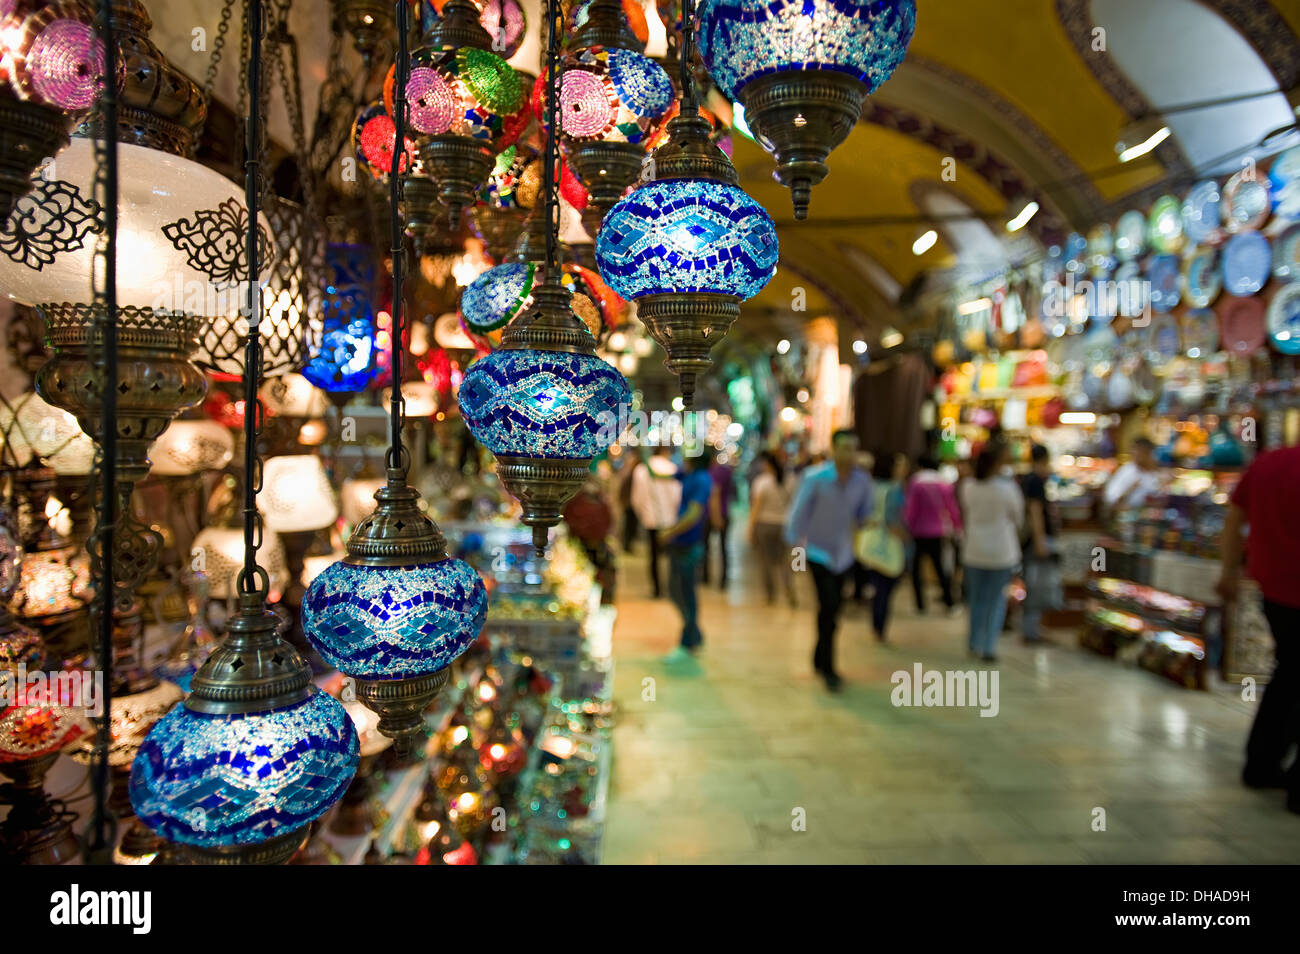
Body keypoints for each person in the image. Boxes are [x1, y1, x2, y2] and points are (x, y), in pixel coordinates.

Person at [1217, 445, 1300, 814]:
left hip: (1274, 590)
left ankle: (1261, 763)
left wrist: (1229, 571)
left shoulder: (1269, 463)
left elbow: (1234, 517)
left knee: (1288, 675)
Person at [785, 429, 873, 691]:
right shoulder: (815, 478)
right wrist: (796, 557)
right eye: (844, 447)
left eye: (854, 448)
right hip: (817, 553)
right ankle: (829, 666)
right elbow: (797, 517)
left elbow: (865, 513)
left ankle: (820, 656)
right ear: (833, 449)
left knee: (832, 610)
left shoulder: (862, 481)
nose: (849, 454)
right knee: (829, 604)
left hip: (844, 554)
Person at [960, 444, 1024, 662]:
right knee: (996, 601)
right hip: (1001, 551)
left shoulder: (968, 487)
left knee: (976, 599)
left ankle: (973, 642)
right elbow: (1018, 517)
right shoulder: (1008, 489)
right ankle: (989, 646)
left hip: (974, 549)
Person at [660, 452, 713, 662]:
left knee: (685, 593)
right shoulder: (688, 475)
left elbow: (693, 514)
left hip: (689, 544)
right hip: (681, 543)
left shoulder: (701, 479)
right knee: (675, 590)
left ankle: (688, 639)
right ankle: (694, 633)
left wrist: (670, 531)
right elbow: (658, 475)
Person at [857, 452, 908, 643]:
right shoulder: (894, 490)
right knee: (886, 587)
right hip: (887, 543)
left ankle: (876, 624)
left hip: (869, 540)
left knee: (878, 585)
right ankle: (879, 626)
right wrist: (905, 537)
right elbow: (893, 519)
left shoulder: (869, 487)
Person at [903, 454, 961, 613]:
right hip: (938, 531)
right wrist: (956, 526)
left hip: (919, 531)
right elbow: (951, 507)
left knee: (916, 569)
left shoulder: (916, 483)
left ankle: (920, 604)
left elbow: (911, 509)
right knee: (940, 568)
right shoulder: (943, 483)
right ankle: (949, 602)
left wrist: (908, 525)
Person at [1020, 443, 1061, 644]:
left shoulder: (1027, 479)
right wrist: (1040, 540)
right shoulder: (1035, 480)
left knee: (1033, 583)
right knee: (1038, 585)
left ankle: (1032, 629)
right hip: (1035, 541)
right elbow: (1035, 511)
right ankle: (1031, 631)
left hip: (1029, 541)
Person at [746, 450, 797, 607]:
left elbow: (756, 507)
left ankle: (770, 594)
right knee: (786, 561)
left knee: (766, 562)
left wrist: (750, 528)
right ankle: (789, 589)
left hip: (765, 525)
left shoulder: (762, 482)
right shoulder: (791, 481)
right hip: (785, 525)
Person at [629, 446, 680, 598]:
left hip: (650, 519)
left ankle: (657, 589)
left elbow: (636, 498)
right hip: (670, 520)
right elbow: (678, 496)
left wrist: (643, 515)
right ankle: (672, 587)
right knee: (672, 555)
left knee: (654, 556)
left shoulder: (642, 469)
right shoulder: (672, 468)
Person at [1103, 436, 1163, 513]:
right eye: (1134, 451)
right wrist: (1130, 490)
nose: (1136, 455)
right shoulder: (1127, 471)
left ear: (1149, 453)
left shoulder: (1155, 473)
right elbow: (1110, 498)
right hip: (1128, 516)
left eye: (1141, 452)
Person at [702, 453, 735, 590]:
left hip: (713, 514)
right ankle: (723, 579)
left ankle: (706, 577)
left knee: (707, 547)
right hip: (723, 513)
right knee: (723, 548)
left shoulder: (711, 472)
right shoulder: (726, 471)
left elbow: (715, 494)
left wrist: (716, 517)